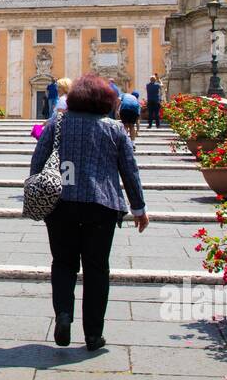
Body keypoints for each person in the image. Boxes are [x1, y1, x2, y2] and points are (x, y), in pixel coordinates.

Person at [29, 74, 149, 351]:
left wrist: (38, 189)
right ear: (105, 101)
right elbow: (130, 171)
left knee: (63, 263)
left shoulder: (56, 124)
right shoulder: (115, 130)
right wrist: (139, 208)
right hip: (101, 206)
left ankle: (63, 314)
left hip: (60, 203)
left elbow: (37, 161)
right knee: (97, 269)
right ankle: (94, 335)